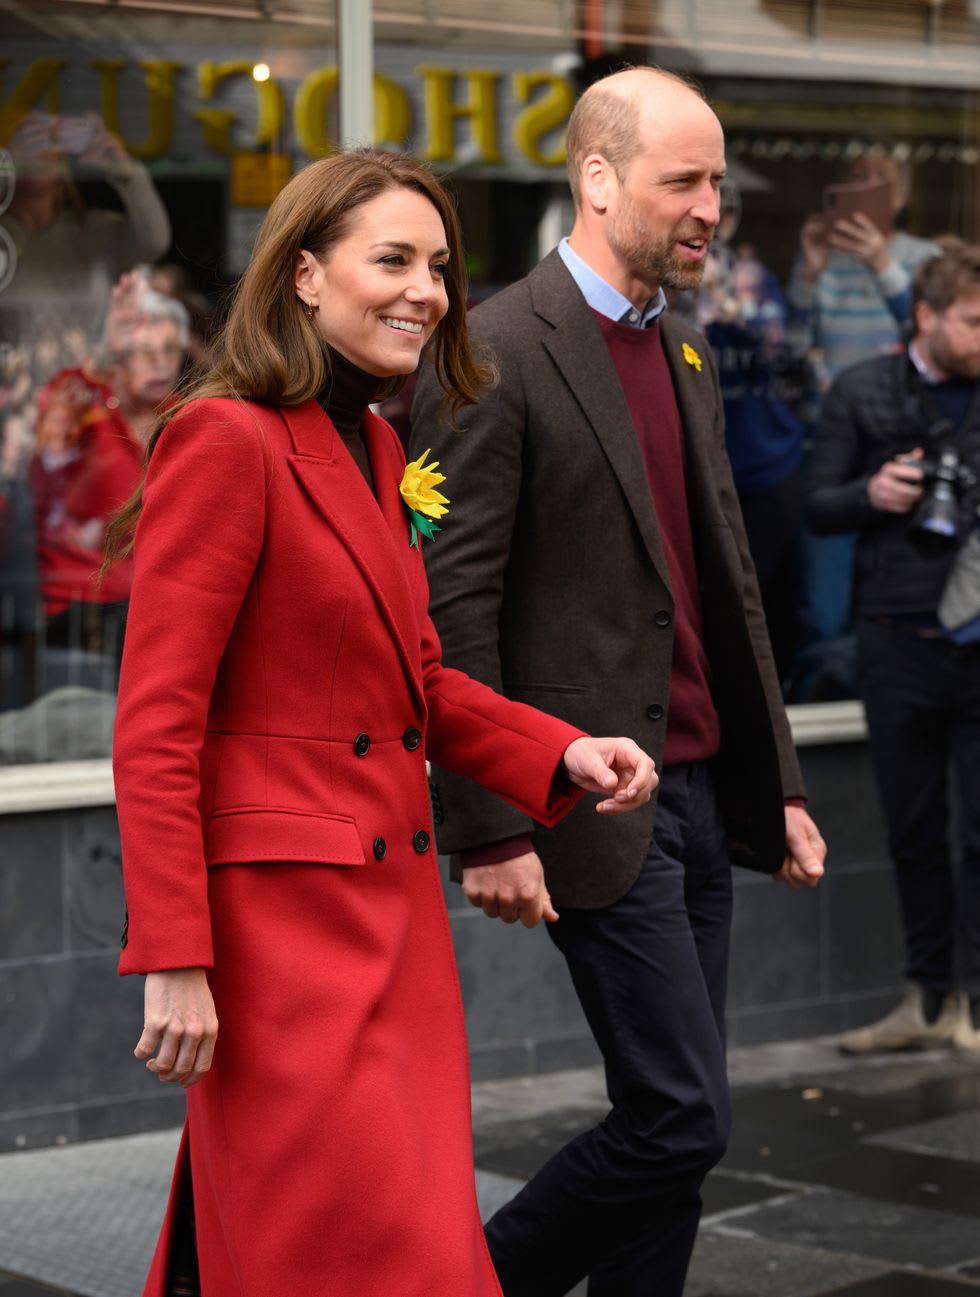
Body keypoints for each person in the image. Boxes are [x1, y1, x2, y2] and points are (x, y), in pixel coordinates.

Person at [103, 149, 658, 1297]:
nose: (425, 290)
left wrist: (555, 747)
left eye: (440, 266)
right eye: (391, 259)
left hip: (388, 927)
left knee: (349, 1240)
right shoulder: (225, 437)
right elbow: (157, 722)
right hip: (278, 941)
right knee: (347, 1247)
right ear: (304, 276)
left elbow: (420, 685)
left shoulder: (381, 447)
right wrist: (173, 953)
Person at [411, 68, 826, 1297]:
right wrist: (488, 818)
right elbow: (452, 605)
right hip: (586, 803)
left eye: (715, 184)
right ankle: (468, 1283)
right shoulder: (491, 349)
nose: (711, 208)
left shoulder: (684, 349)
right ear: (596, 180)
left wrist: (781, 787)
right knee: (681, 1115)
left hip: (700, 794)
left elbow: (726, 589)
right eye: (682, 182)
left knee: (670, 1133)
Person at [806, 242, 980, 1055]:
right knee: (912, 831)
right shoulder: (863, 390)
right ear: (926, 316)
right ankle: (927, 998)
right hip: (896, 643)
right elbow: (815, 505)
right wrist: (871, 493)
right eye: (974, 321)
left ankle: (972, 1007)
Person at [786, 152, 939, 699]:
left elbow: (931, 336)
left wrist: (881, 264)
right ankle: (825, 705)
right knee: (824, 606)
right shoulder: (822, 263)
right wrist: (808, 272)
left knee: (897, 601)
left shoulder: (925, 258)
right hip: (829, 448)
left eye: (877, 186)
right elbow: (790, 354)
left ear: (898, 196)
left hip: (903, 446)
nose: (864, 193)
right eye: (852, 185)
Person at [30, 274, 188, 658]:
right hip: (80, 609)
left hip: (156, 607)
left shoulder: (185, 416)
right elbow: (54, 422)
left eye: (169, 350)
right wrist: (103, 353)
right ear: (119, 358)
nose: (159, 363)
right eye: (144, 351)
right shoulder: (87, 407)